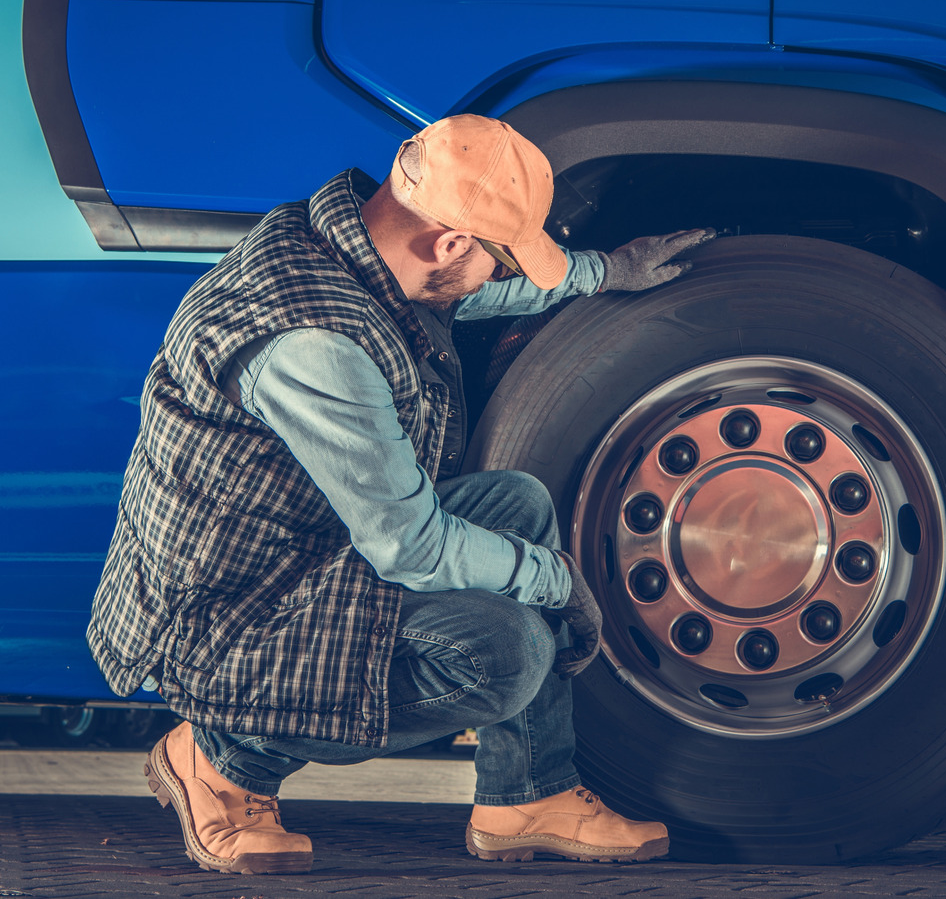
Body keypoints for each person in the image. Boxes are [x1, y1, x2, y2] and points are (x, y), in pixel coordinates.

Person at [87, 114, 715, 875]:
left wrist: (604, 272)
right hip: (230, 612)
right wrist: (554, 579)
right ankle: (221, 757)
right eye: (499, 261)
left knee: (517, 503)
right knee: (505, 654)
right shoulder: (315, 345)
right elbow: (409, 547)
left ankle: (527, 794)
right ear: (450, 245)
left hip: (299, 549)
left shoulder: (343, 246)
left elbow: (465, 299)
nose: (500, 278)